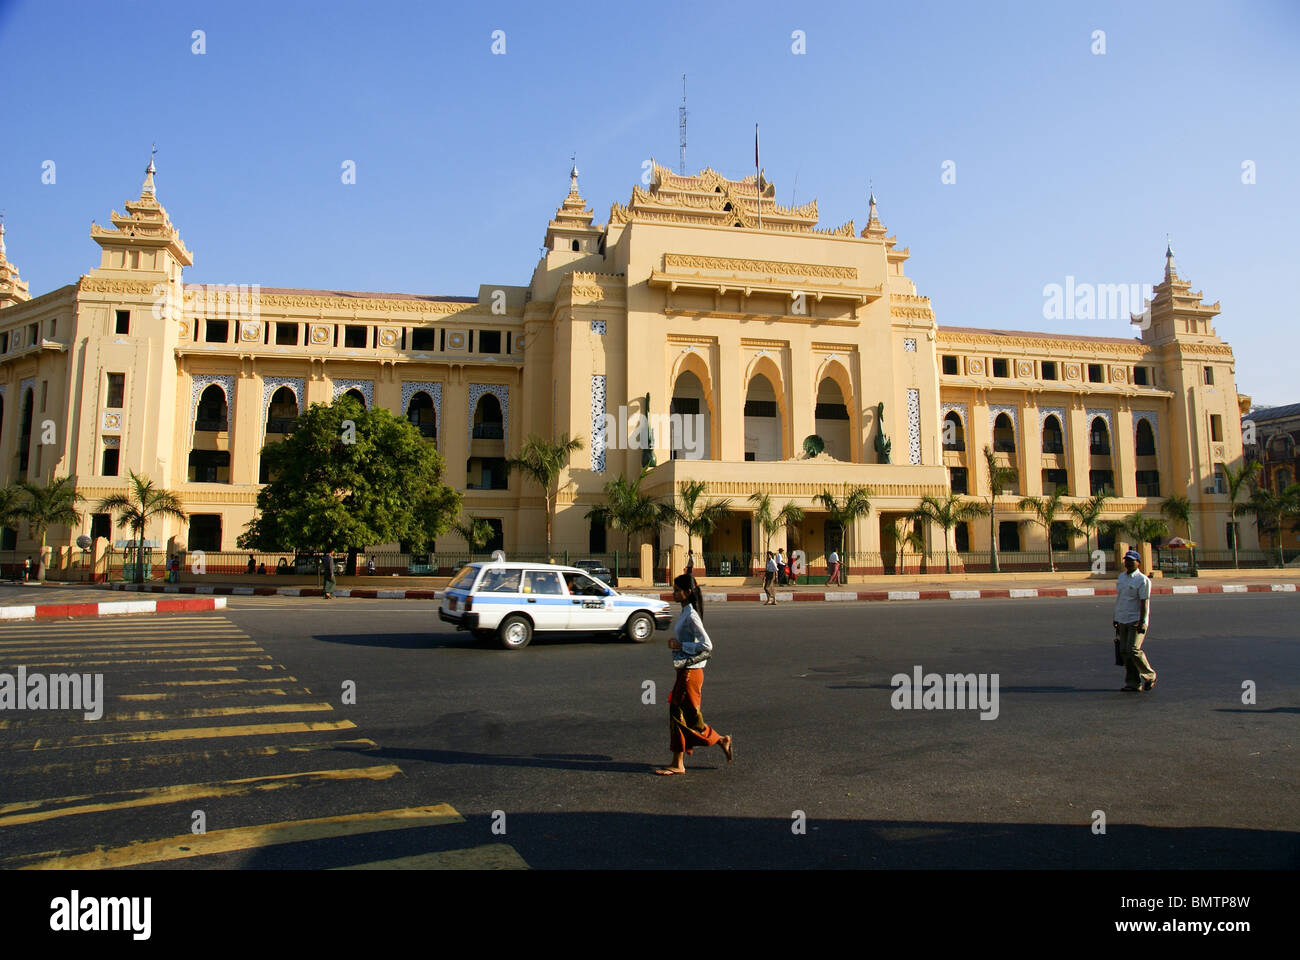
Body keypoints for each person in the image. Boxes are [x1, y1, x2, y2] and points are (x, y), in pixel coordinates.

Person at [655, 573, 732, 775]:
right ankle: (718, 740)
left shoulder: (691, 615)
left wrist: (680, 645)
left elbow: (707, 645)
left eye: (677, 591)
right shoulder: (686, 611)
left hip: (691, 673)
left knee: (679, 714)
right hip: (685, 671)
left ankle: (681, 761)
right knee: (683, 715)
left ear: (688, 593)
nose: (674, 594)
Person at [1113, 549, 1156, 692]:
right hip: (1122, 618)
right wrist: (1116, 618)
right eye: (1126, 560)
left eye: (1132, 560)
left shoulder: (1142, 580)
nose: (1128, 563)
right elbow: (1120, 599)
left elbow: (1144, 602)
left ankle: (1150, 675)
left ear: (1138, 563)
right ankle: (1133, 682)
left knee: (1133, 649)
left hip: (1136, 619)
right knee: (1124, 651)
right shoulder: (1121, 578)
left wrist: (1142, 621)